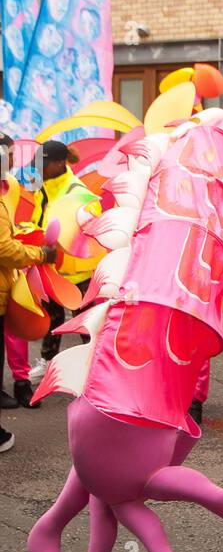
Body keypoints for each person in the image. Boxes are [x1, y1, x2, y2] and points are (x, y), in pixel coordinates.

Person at [23, 140, 100, 378]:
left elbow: (91, 231)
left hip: (77, 271)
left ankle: (95, 368)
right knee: (52, 320)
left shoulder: (78, 192)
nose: (38, 169)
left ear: (60, 163)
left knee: (84, 322)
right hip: (50, 266)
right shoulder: (42, 186)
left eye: (43, 164)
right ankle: (49, 362)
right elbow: (39, 215)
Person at [0, 134, 57, 452]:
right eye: (8, 155)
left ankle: (22, 382)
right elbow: (3, 246)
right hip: (10, 272)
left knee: (18, 332)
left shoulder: (13, 188)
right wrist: (38, 255)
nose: (12, 161)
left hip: (11, 279)